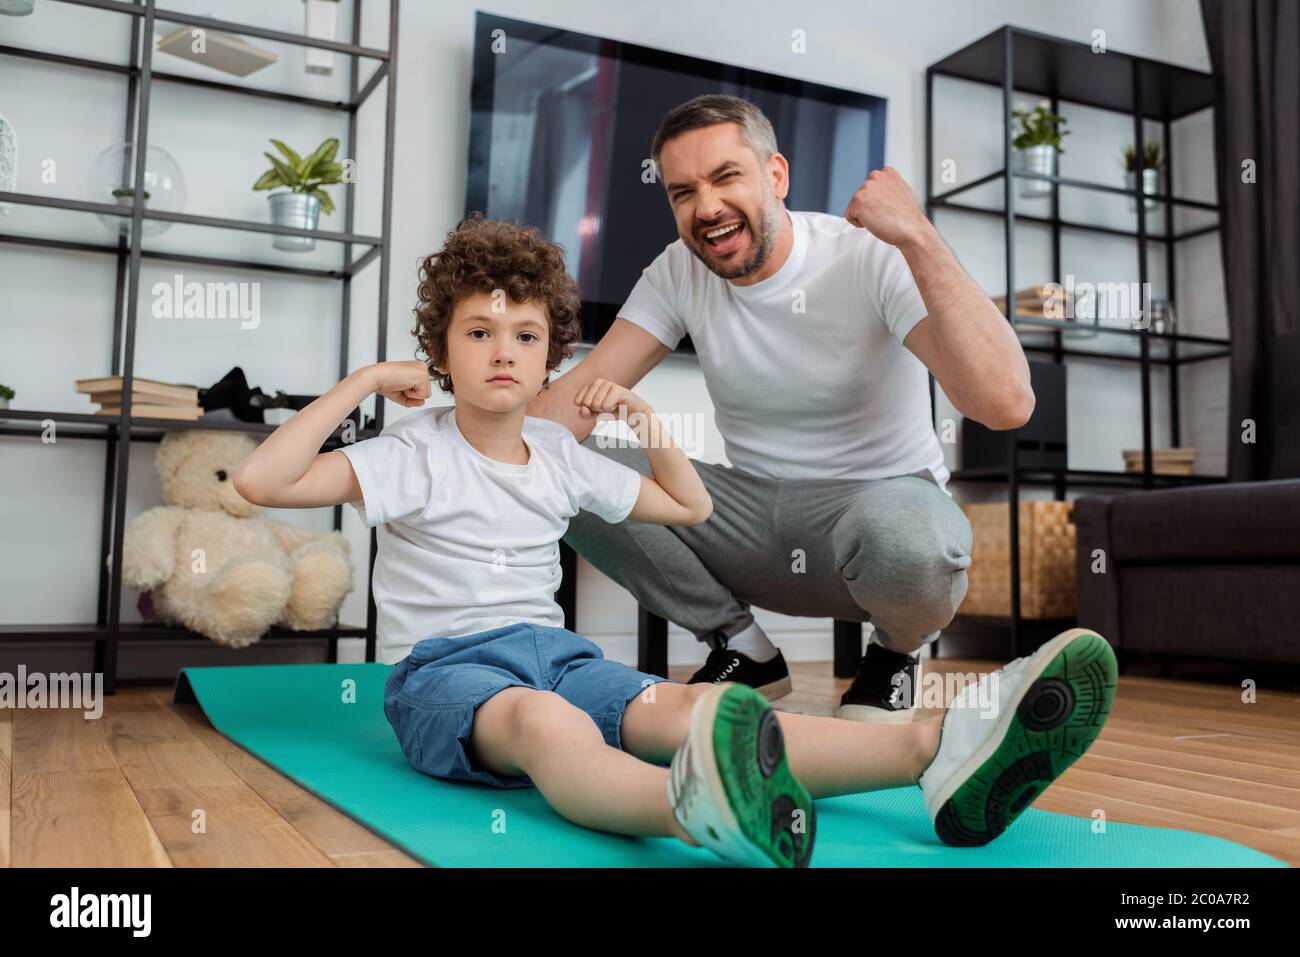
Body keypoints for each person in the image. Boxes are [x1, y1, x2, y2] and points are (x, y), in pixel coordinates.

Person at [232, 215, 1117, 866]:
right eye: (479, 332)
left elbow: (688, 508)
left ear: (551, 359)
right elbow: (261, 483)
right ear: (442, 350)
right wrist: (360, 383)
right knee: (548, 726)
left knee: (690, 709)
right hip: (448, 670)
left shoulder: (557, 453)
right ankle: (695, 804)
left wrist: (647, 420)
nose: (504, 351)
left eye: (526, 336)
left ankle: (934, 747)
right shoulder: (407, 453)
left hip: (561, 655)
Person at [528, 95, 1036, 723]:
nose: (706, 207)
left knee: (913, 538)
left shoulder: (867, 254)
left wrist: (918, 234)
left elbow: (1006, 404)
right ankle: (743, 648)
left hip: (876, 517)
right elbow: (573, 404)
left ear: (776, 175)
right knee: (557, 458)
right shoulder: (678, 271)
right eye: (683, 192)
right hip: (753, 523)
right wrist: (453, 442)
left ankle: (894, 658)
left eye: (725, 177)